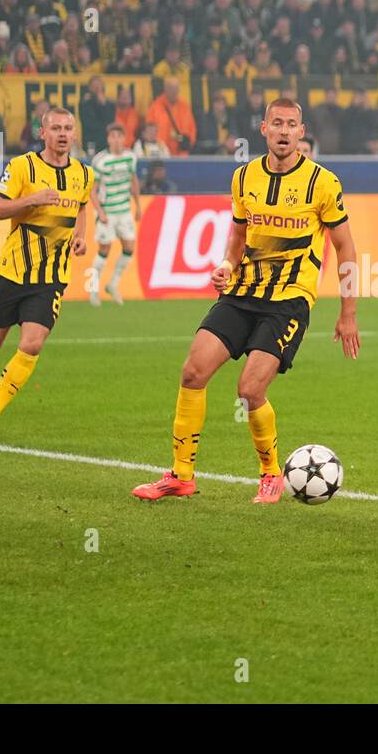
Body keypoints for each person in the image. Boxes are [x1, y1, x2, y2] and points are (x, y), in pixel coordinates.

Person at [132, 97, 360, 504]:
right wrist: (225, 264)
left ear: (301, 132)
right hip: (242, 292)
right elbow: (237, 236)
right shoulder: (244, 178)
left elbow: (345, 249)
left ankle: (270, 473)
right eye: (277, 123)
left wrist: (348, 315)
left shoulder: (323, 183)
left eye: (292, 124)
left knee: (250, 389)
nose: (285, 131)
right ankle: (181, 475)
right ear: (264, 129)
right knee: (192, 372)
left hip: (289, 299)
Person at [0, 107, 94, 441]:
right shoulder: (22, 167)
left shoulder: (84, 174)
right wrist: (32, 200)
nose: (62, 133)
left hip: (51, 278)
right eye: (55, 127)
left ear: (74, 133)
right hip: (13, 272)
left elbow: (82, 204)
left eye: (68, 128)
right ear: (42, 133)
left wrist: (81, 235)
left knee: (32, 344)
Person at [89, 123, 141, 306]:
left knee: (129, 248)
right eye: (113, 136)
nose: (116, 139)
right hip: (108, 212)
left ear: (124, 138)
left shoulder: (130, 158)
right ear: (108, 139)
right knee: (104, 250)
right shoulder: (100, 160)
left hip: (124, 211)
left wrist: (138, 206)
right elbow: (92, 191)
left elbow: (134, 181)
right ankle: (93, 289)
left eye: (119, 136)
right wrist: (100, 212)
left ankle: (113, 285)